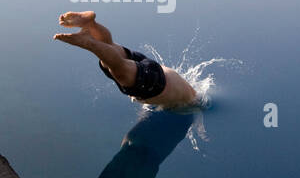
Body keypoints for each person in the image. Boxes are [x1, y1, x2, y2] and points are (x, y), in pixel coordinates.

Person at [53, 11, 199, 109]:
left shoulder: (190, 91)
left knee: (110, 50)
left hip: (156, 69)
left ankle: (90, 25)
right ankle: (89, 43)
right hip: (159, 84)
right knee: (119, 69)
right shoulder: (190, 104)